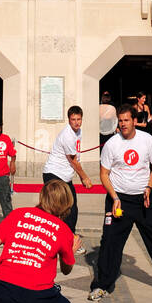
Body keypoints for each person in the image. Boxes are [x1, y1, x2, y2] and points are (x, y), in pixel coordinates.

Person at [89, 104, 152, 301]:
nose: (123, 124)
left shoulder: (147, 140)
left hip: (144, 199)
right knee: (110, 243)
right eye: (121, 121)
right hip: (119, 200)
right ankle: (101, 285)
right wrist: (115, 198)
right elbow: (104, 174)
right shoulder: (111, 144)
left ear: (135, 121)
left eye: (127, 120)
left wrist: (149, 187)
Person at [41, 105, 93, 247]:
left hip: (64, 176)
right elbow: (73, 160)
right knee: (56, 209)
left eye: (79, 119)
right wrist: (84, 177)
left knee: (71, 208)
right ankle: (51, 239)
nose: (76, 122)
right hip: (54, 174)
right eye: (73, 119)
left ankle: (67, 239)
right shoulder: (68, 135)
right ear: (68, 120)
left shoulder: (78, 132)